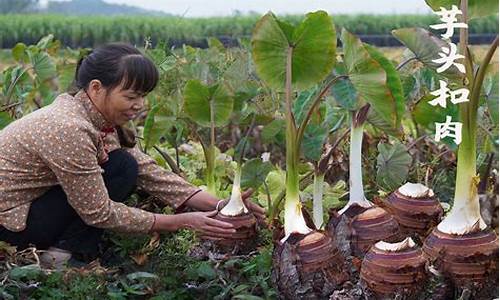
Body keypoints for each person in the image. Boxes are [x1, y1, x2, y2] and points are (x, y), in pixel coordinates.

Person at [0, 43, 265, 267]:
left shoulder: (91, 115)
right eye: (131, 96)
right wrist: (178, 222)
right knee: (120, 169)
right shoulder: (69, 129)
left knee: (123, 165)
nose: (139, 105)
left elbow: (146, 170)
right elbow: (99, 212)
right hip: (10, 223)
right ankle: (61, 257)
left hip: (30, 206)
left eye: (143, 96)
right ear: (96, 88)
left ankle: (67, 250)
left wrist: (219, 204)